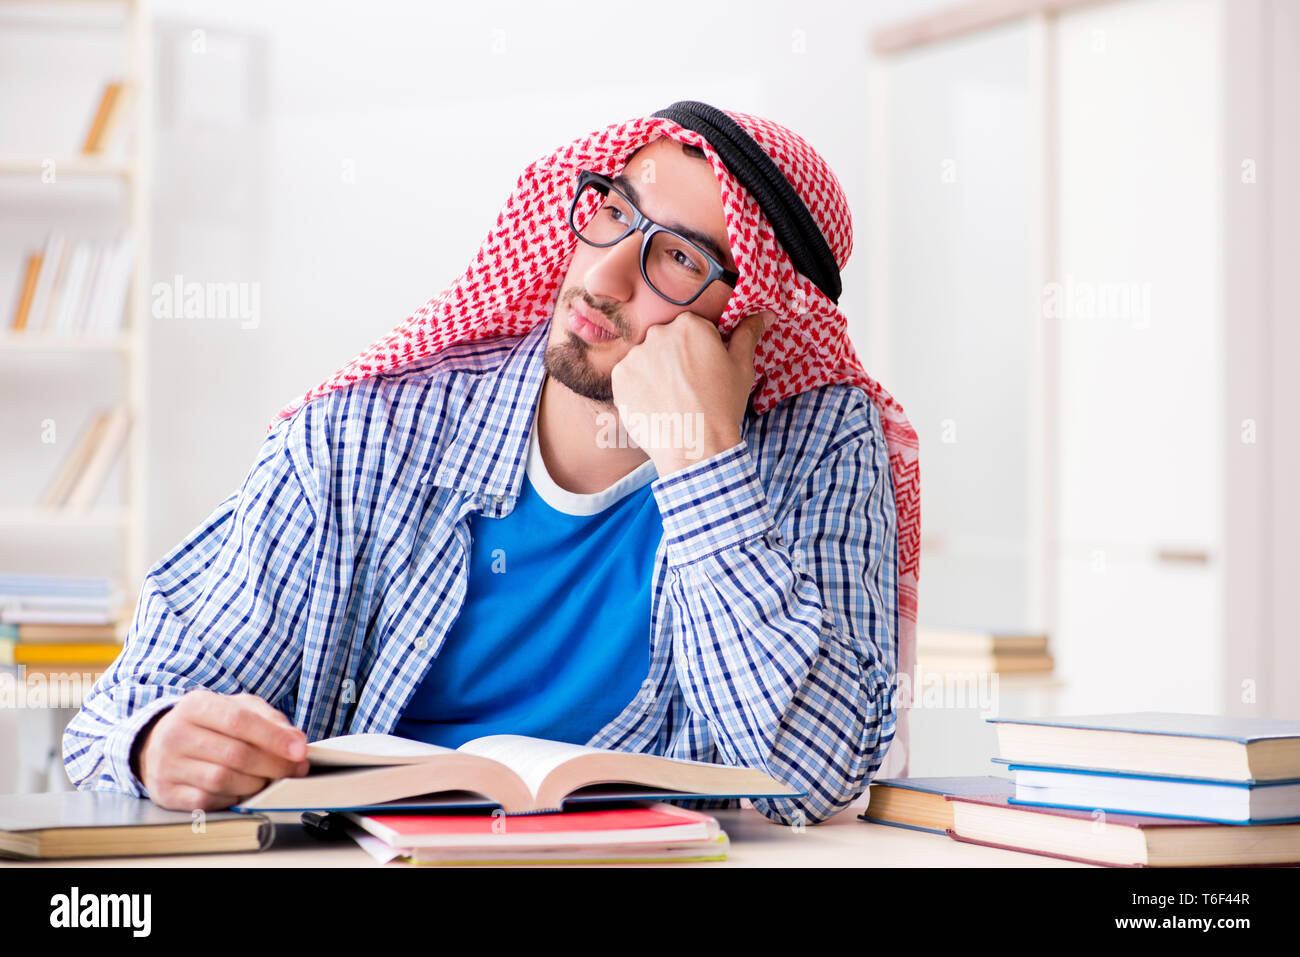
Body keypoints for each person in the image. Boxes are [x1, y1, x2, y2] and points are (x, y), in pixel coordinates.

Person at [63, 101, 921, 826]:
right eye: (615, 213)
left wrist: (703, 464)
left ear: (755, 323)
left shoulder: (820, 447)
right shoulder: (365, 438)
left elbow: (816, 771)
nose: (605, 275)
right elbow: (113, 716)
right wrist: (158, 742)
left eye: (680, 257)